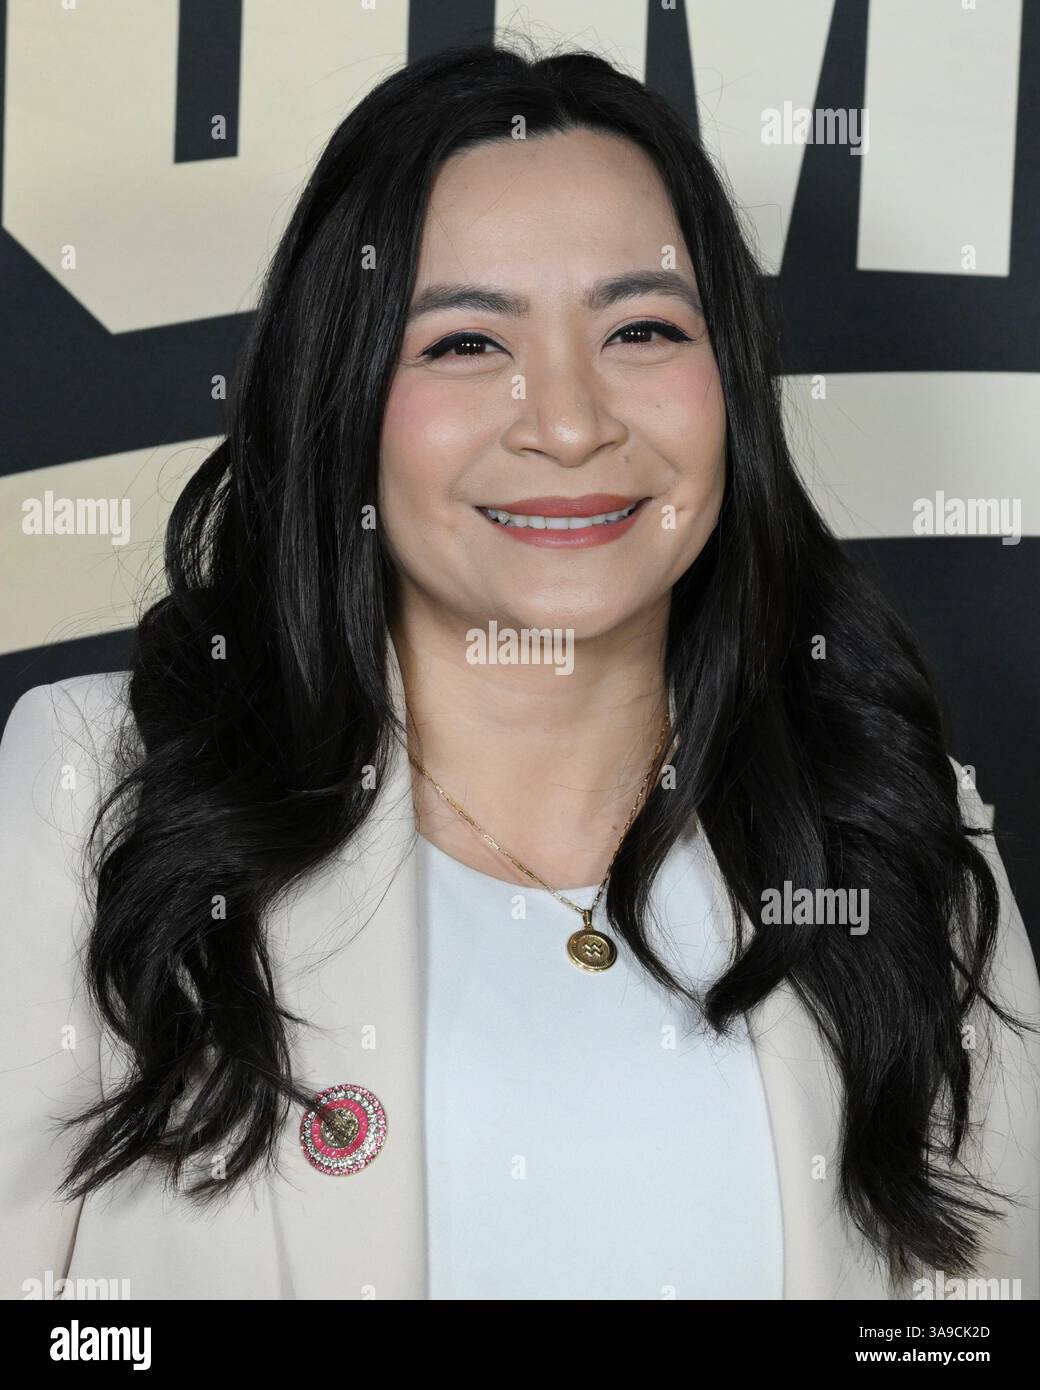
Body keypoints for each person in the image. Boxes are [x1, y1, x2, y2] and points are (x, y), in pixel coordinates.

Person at [1, 41, 1037, 1302]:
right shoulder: (96, 790)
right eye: (463, 344)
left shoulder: (887, 829)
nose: (566, 420)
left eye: (641, 327)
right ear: (343, 395)